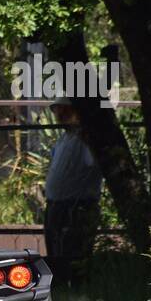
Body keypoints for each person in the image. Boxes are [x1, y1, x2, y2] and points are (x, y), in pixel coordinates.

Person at [44, 95, 103, 285]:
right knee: (56, 259)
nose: (60, 114)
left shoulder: (85, 138)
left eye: (65, 110)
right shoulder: (64, 138)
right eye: (57, 110)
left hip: (77, 207)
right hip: (57, 206)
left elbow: (95, 163)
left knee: (75, 260)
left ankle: (79, 300)